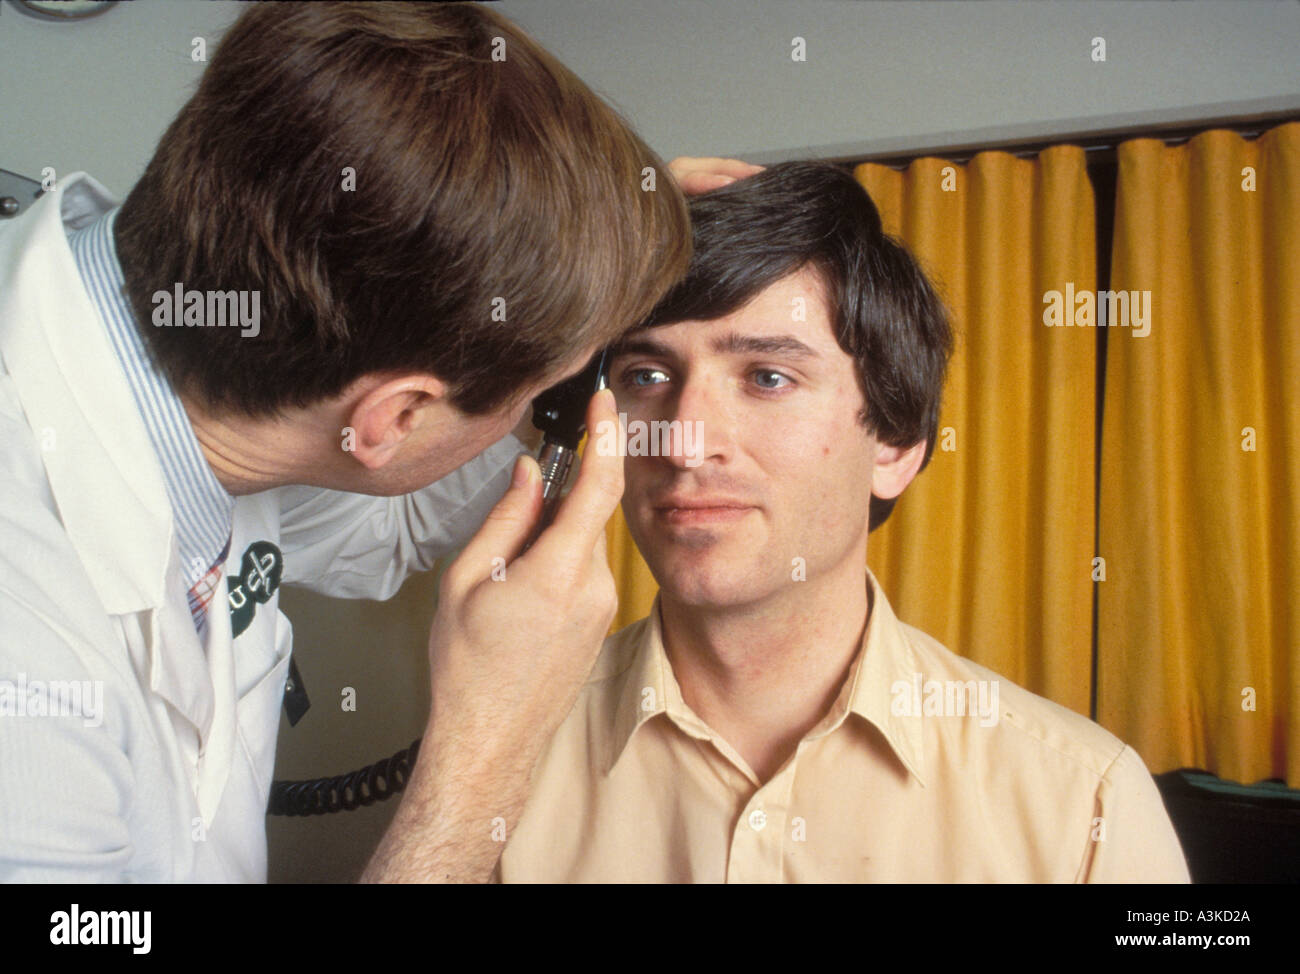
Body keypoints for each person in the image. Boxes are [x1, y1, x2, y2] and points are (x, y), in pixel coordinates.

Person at [0, 0, 754, 882]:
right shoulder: (29, 660)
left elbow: (384, 531)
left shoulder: (202, 388)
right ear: (394, 418)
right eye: (540, 384)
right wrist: (484, 754)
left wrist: (554, 259)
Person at [494, 161, 1191, 882]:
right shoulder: (498, 751)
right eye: (647, 377)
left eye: (768, 377)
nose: (683, 439)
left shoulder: (1086, 803)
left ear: (894, 447)